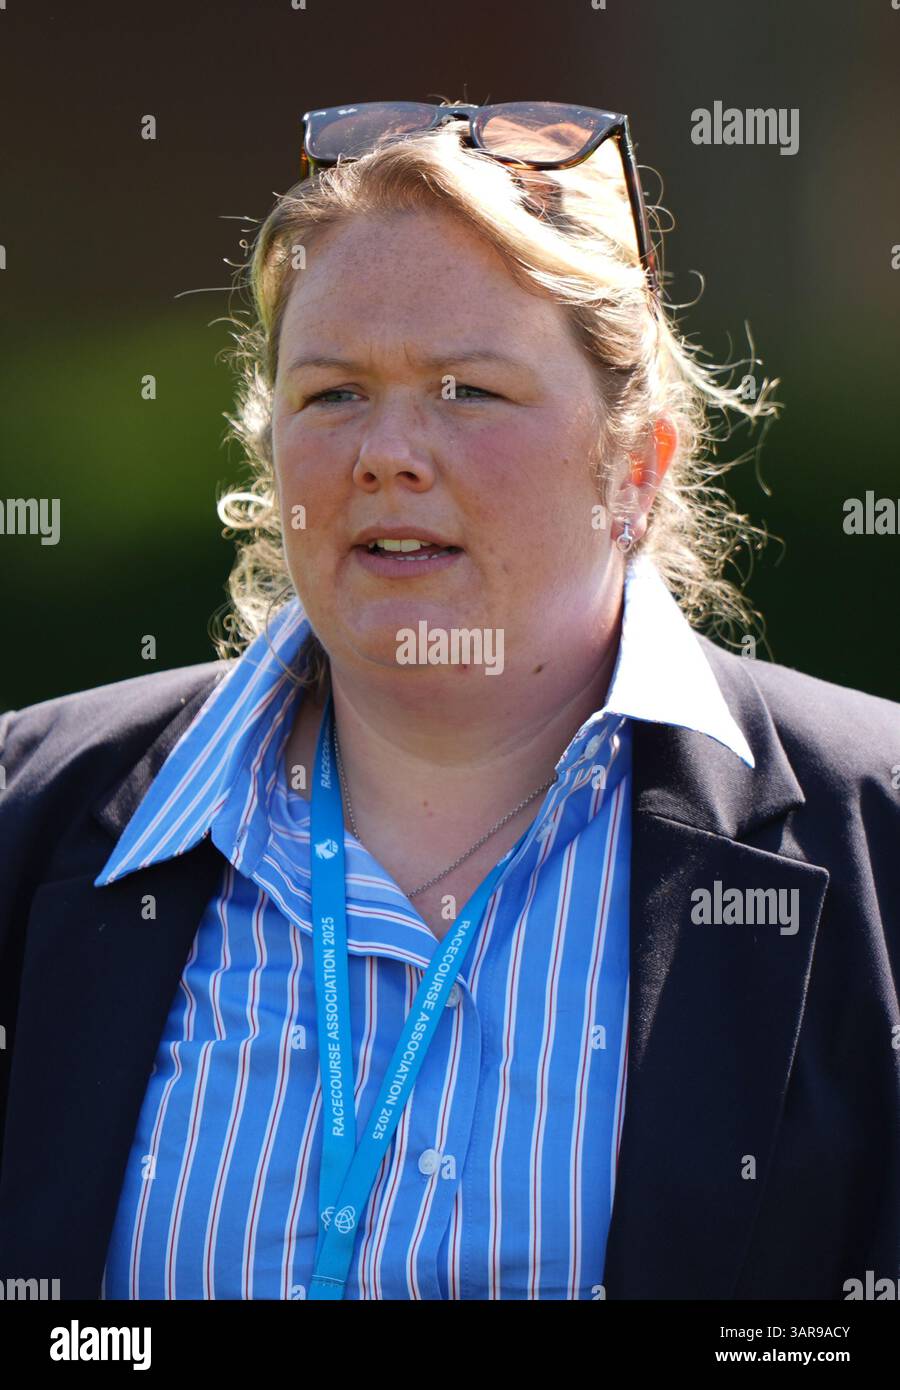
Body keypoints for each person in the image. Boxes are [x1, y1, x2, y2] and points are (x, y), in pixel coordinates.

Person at [0, 101, 897, 1302]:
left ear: (633, 471)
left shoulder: (875, 832)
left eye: (468, 390)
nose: (387, 452)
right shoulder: (30, 813)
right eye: (330, 395)